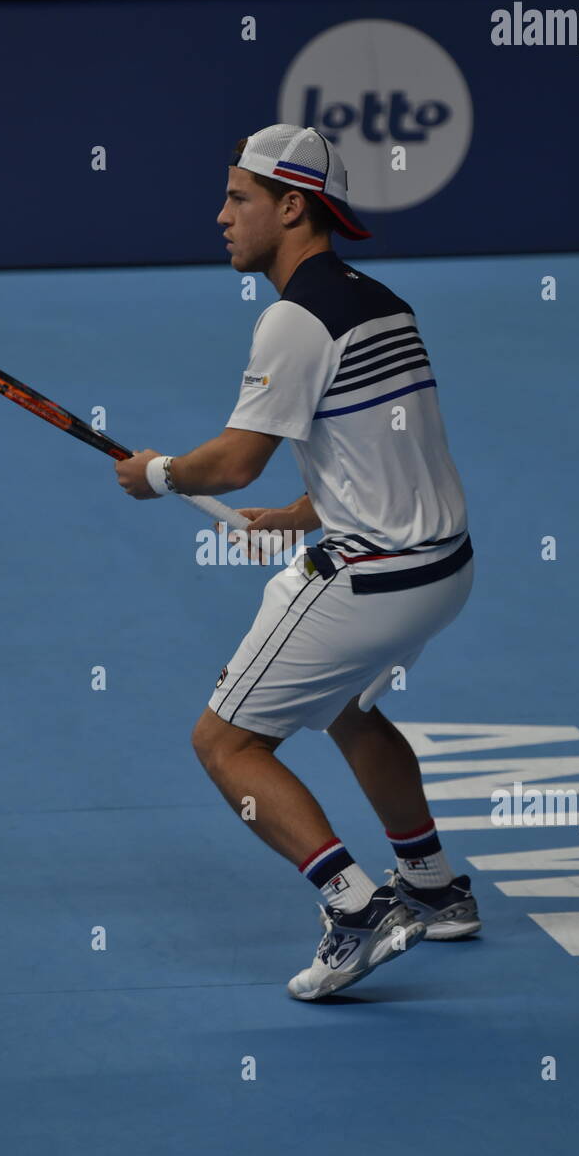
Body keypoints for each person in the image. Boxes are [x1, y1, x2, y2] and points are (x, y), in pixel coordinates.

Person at [115, 123, 479, 1001]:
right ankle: (431, 887)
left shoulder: (292, 319)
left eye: (238, 199)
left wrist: (158, 474)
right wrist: (298, 514)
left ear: (291, 206)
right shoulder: (382, 302)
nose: (220, 216)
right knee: (350, 708)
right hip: (444, 570)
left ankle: (354, 908)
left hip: (371, 579)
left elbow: (234, 461)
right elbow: (382, 457)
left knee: (226, 742)